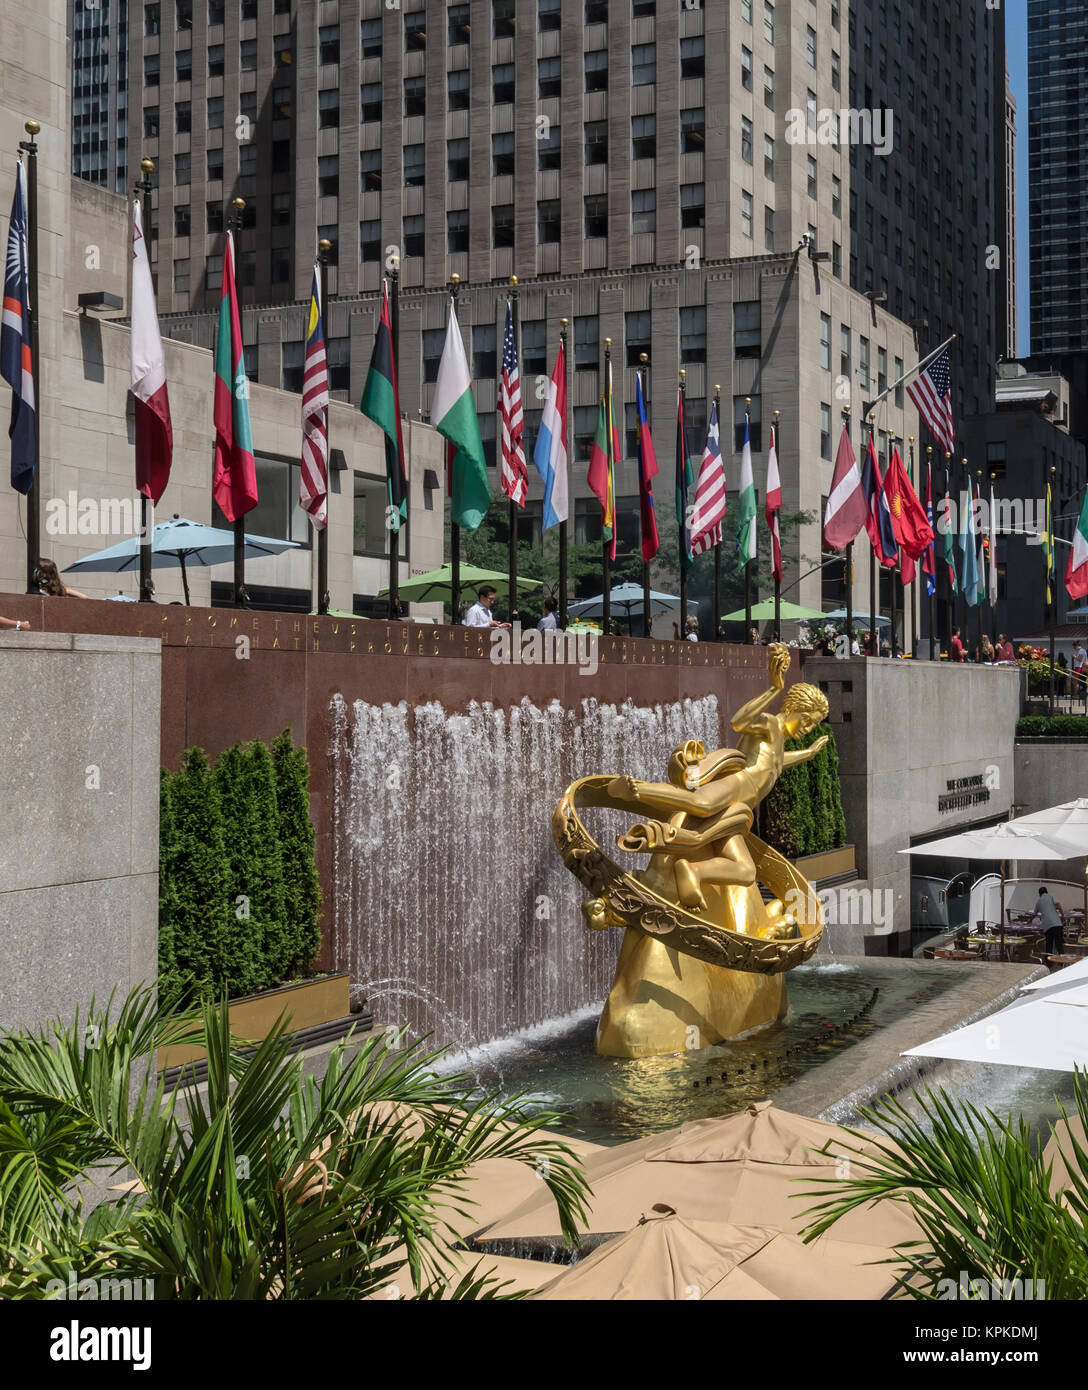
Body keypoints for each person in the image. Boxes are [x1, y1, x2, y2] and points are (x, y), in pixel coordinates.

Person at [1035, 885, 1065, 956]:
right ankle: (1062, 961)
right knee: (1059, 944)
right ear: (1046, 892)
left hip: (1048, 926)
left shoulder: (1039, 901)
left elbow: (1034, 914)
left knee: (1049, 945)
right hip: (1057, 924)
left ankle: (1049, 962)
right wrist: (1062, 915)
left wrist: (1029, 921)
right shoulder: (1051, 896)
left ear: (1039, 894)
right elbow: (1058, 904)